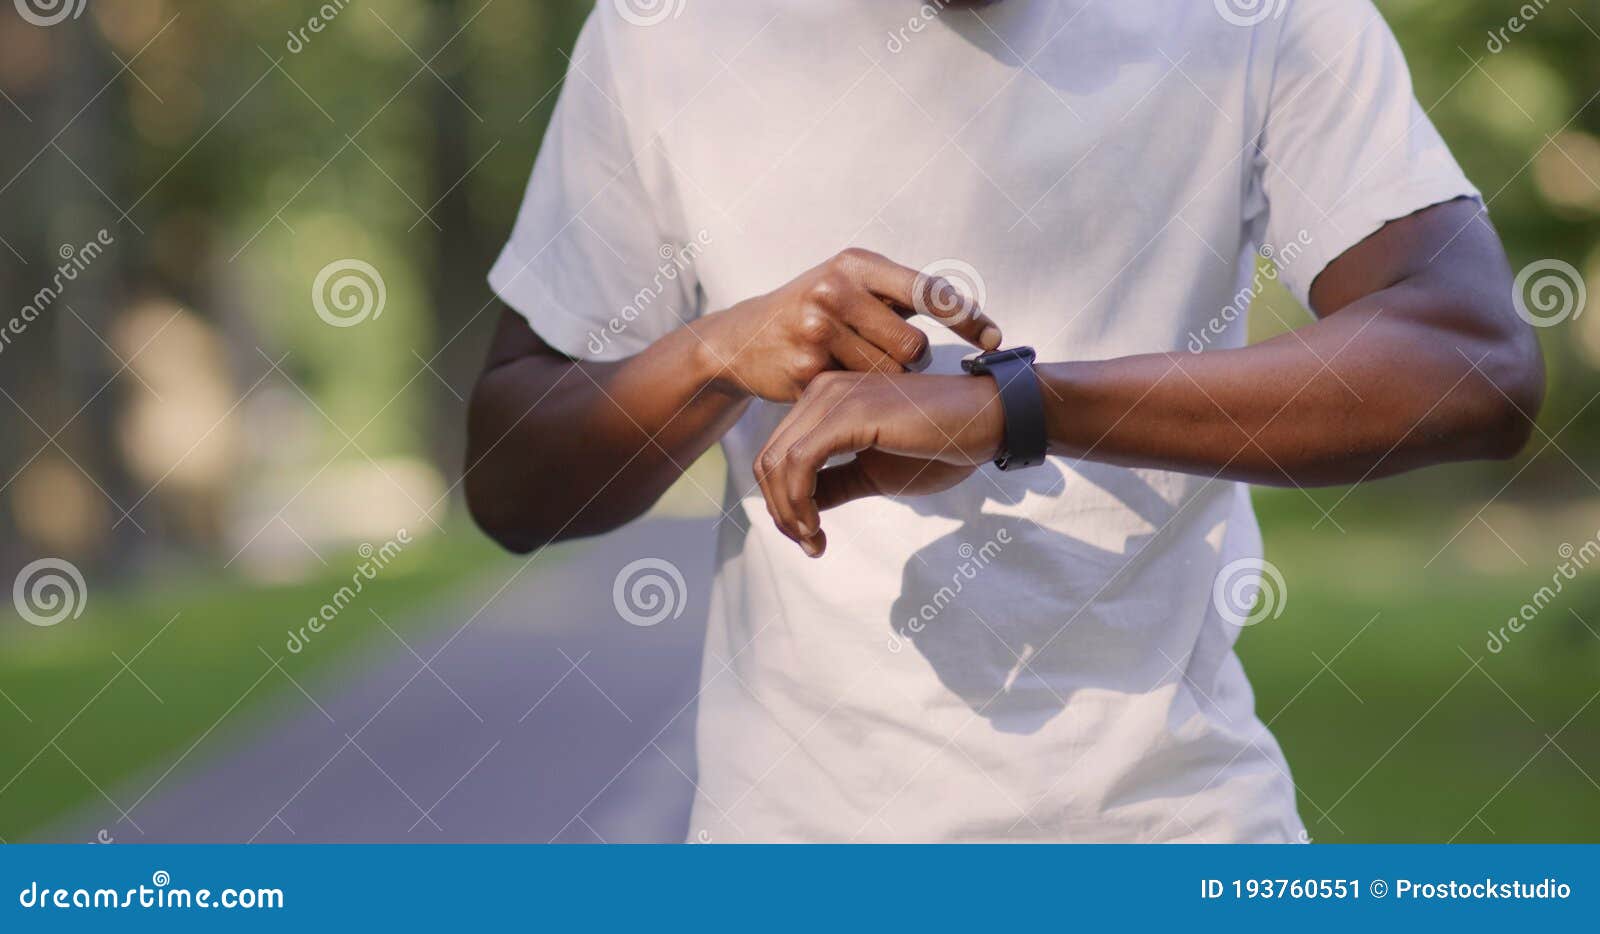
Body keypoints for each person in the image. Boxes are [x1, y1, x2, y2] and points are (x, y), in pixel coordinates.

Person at [464, 0, 1543, 842]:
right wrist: (711, 354)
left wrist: (1017, 404)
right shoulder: (667, 29)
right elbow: (512, 480)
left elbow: (1472, 359)